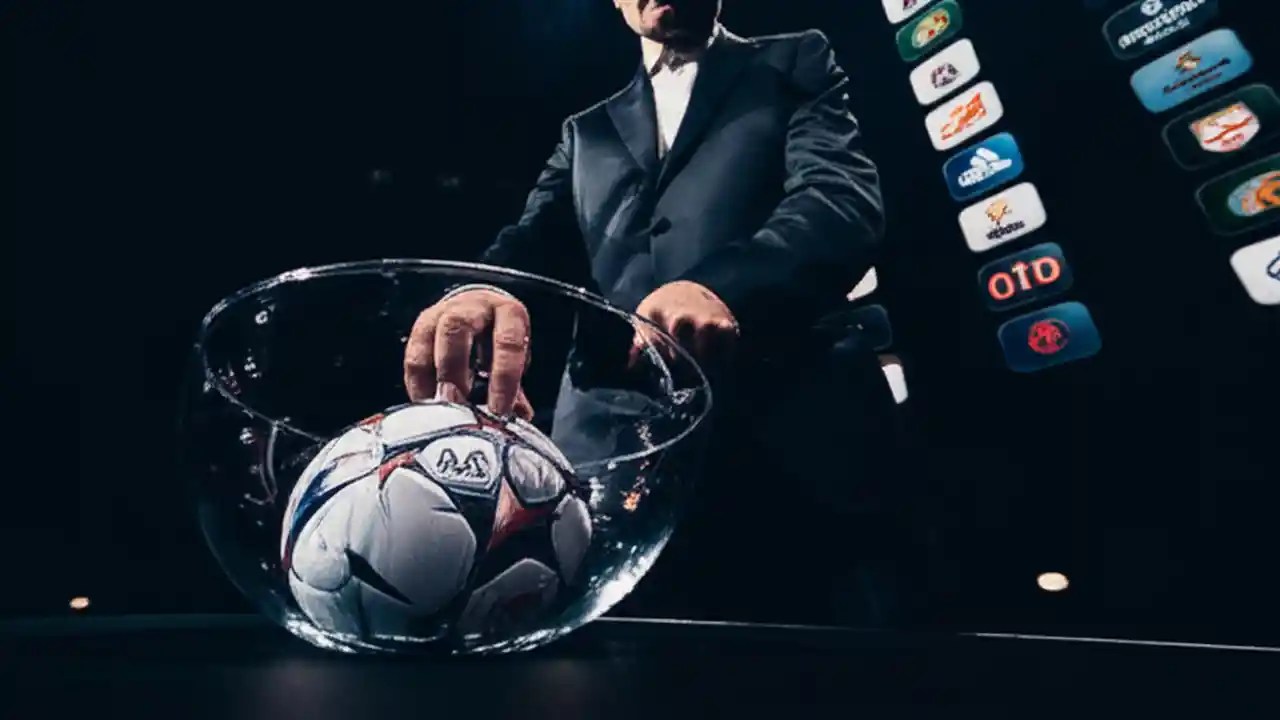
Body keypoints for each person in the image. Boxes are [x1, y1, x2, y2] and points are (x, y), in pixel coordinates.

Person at [404, 0, 912, 625]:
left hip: (783, 433)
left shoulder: (794, 59)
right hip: (605, 458)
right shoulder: (584, 130)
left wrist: (724, 287)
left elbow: (839, 201)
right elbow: (532, 239)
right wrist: (479, 289)